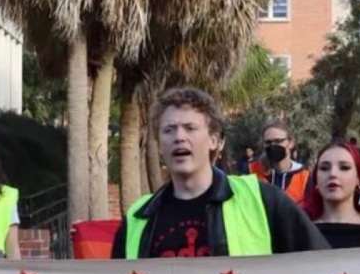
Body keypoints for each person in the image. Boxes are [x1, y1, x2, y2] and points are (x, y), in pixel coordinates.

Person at [112, 87, 328, 259]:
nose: (179, 137)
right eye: (169, 130)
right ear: (159, 144)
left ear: (215, 140)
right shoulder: (137, 218)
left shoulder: (263, 200)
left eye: (190, 128)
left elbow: (321, 268)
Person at [249, 119, 309, 205]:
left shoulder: (304, 179)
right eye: (268, 142)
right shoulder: (253, 172)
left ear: (291, 143)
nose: (273, 146)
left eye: (278, 141)